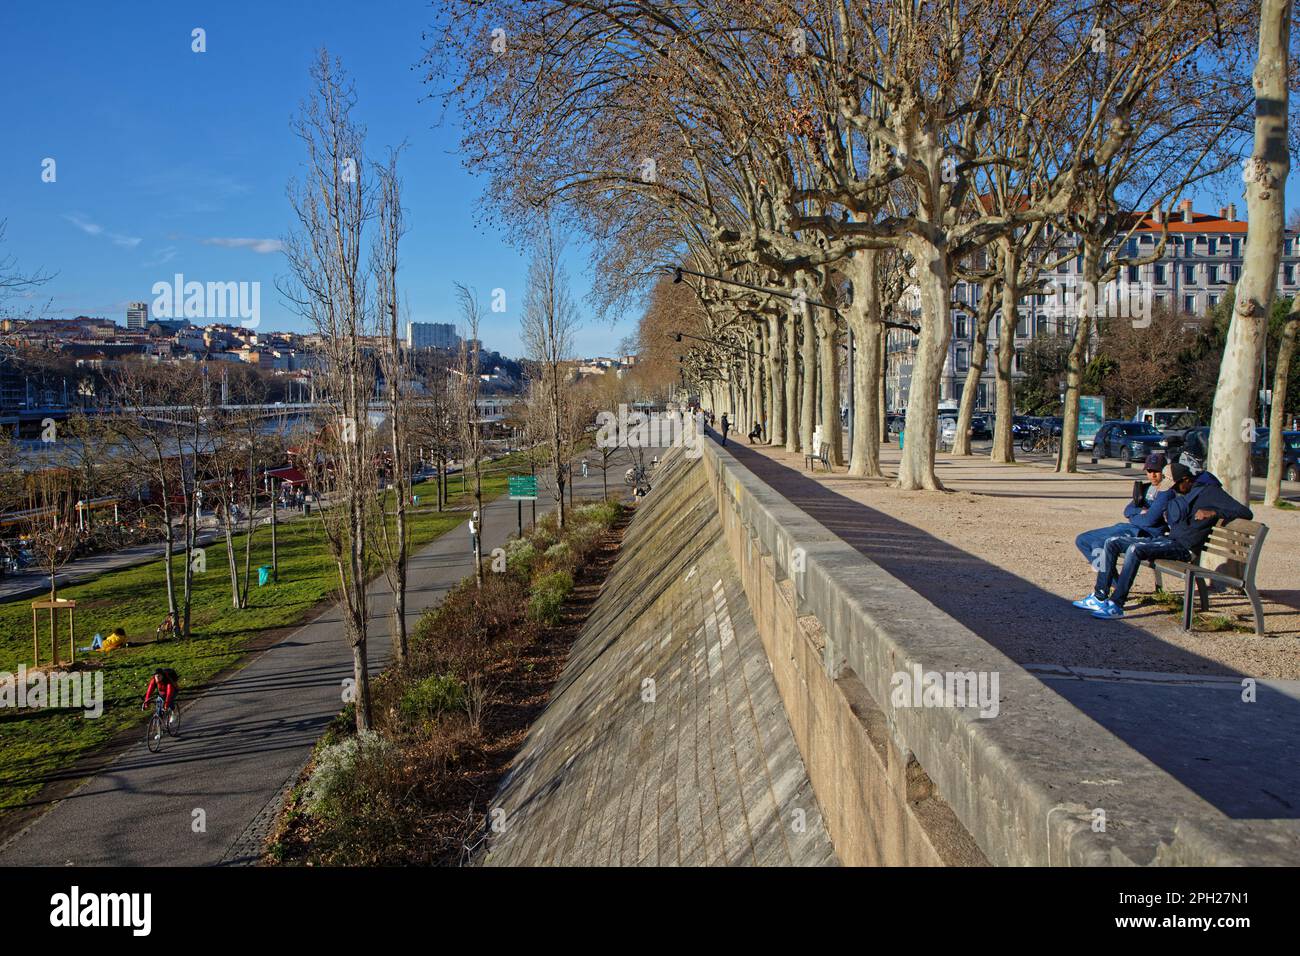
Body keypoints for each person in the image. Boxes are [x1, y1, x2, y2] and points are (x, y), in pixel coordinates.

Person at [1077, 463, 1253, 620]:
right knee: (1112, 541)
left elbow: (1245, 512)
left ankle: (1117, 605)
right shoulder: (1181, 489)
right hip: (1170, 540)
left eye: (1175, 485)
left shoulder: (1211, 492)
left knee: (1135, 549)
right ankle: (1100, 597)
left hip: (1184, 548)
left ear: (1186, 479)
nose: (1173, 490)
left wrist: (1214, 513)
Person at [1074, 453, 1172, 565]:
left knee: (1099, 543)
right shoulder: (1144, 488)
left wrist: (1135, 516)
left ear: (1164, 472)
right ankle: (1113, 580)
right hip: (1129, 527)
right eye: (1149, 471)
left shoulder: (1166, 492)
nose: (1152, 475)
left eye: (1156, 471)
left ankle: (1110, 580)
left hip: (1145, 533)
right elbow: (1127, 511)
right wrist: (1140, 512)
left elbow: (1150, 520)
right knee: (1082, 540)